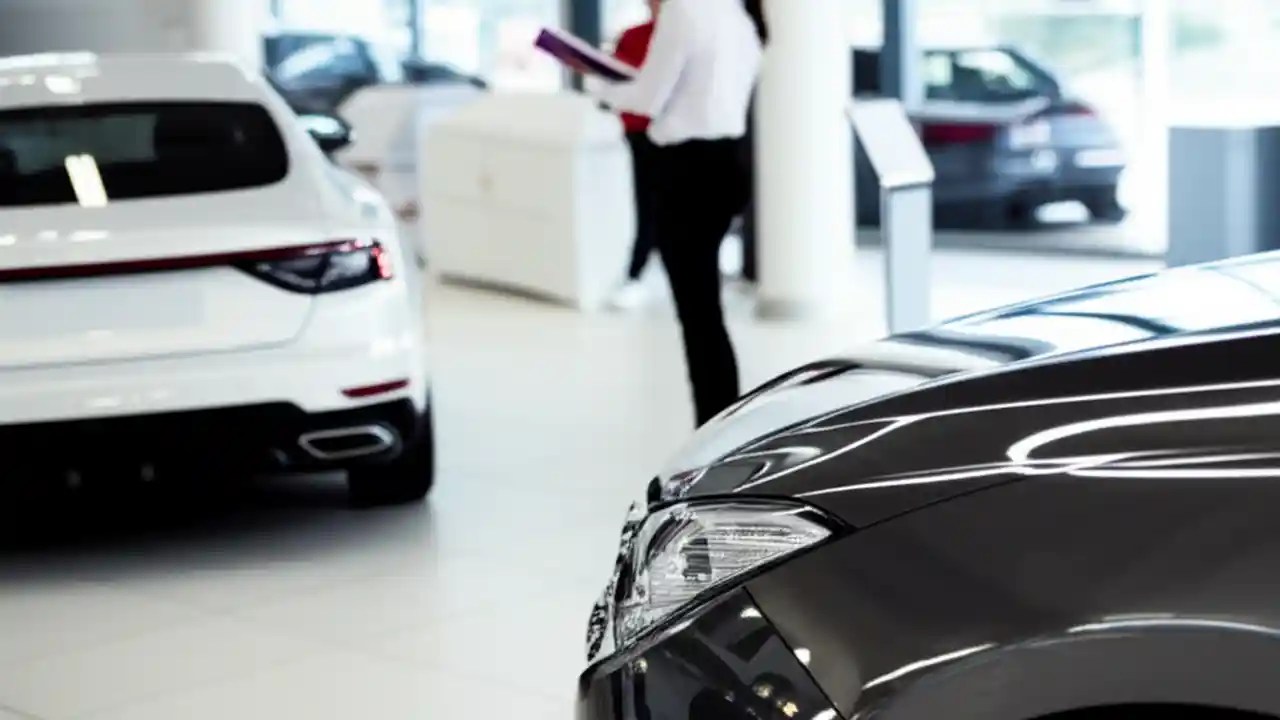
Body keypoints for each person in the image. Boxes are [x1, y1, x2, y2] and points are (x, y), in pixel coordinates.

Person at [593, 0, 767, 426]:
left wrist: (602, 85)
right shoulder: (739, 15)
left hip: (687, 171)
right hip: (727, 165)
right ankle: (720, 422)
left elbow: (648, 98)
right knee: (706, 312)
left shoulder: (684, 12)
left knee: (698, 316)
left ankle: (712, 427)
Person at [607, 0, 662, 311]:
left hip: (673, 133)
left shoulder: (681, 36)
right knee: (645, 200)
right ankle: (636, 273)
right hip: (639, 131)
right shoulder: (633, 36)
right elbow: (615, 82)